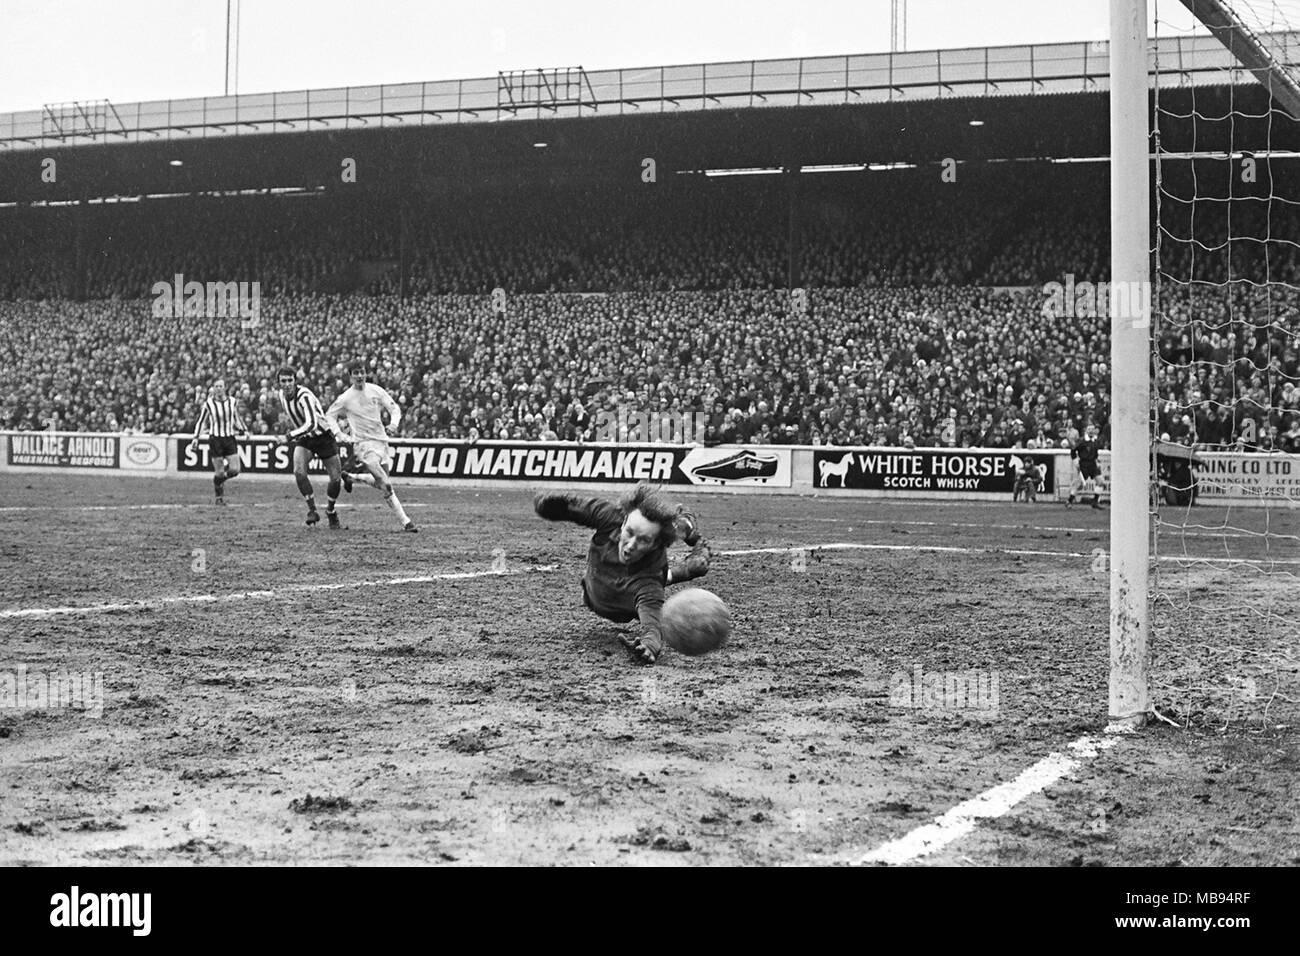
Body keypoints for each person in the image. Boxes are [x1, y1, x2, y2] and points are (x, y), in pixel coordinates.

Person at [534, 482, 711, 664]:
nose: (631, 545)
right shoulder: (610, 516)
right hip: (593, 593)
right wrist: (548, 506)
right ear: (624, 521)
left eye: (643, 540)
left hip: (622, 607)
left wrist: (648, 647)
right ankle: (687, 533)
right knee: (680, 535)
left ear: (656, 545)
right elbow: (572, 506)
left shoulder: (651, 580)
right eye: (630, 532)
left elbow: (653, 628)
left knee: (655, 577)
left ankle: (688, 549)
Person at [325, 362, 417, 533]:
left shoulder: (376, 390)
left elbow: (394, 408)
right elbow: (330, 416)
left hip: (381, 441)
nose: (360, 376)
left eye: (362, 372)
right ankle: (406, 522)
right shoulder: (345, 398)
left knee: (381, 482)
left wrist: (394, 424)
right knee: (387, 484)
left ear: (366, 373)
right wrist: (339, 434)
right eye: (356, 373)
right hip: (364, 445)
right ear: (351, 376)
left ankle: (351, 478)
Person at [275, 365, 351, 528]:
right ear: (279, 383)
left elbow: (311, 423)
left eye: (290, 380)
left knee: (335, 479)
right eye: (283, 381)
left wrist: (288, 436)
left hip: (323, 436)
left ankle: (330, 511)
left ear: (295, 381)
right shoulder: (281, 395)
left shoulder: (304, 396)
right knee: (299, 472)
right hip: (305, 439)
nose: (287, 384)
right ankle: (312, 511)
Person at [186, 378, 248, 506]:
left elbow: (236, 418)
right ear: (213, 388)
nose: (218, 388)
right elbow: (201, 421)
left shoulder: (232, 402)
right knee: (219, 471)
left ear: (225, 388)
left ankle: (219, 481)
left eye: (220, 386)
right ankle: (219, 497)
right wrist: (195, 438)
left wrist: (244, 430)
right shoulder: (209, 403)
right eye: (216, 386)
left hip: (229, 438)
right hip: (215, 439)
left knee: (235, 470)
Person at [1066, 424, 1104, 509]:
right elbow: (1073, 451)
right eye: (1089, 429)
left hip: (1093, 465)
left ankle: (1095, 502)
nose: (1091, 431)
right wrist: (1075, 461)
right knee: (1079, 485)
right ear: (1086, 430)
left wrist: (1097, 460)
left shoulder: (1095, 441)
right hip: (1084, 465)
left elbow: (1095, 453)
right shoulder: (1082, 441)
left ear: (1094, 431)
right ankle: (1069, 501)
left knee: (1101, 482)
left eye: (1092, 429)